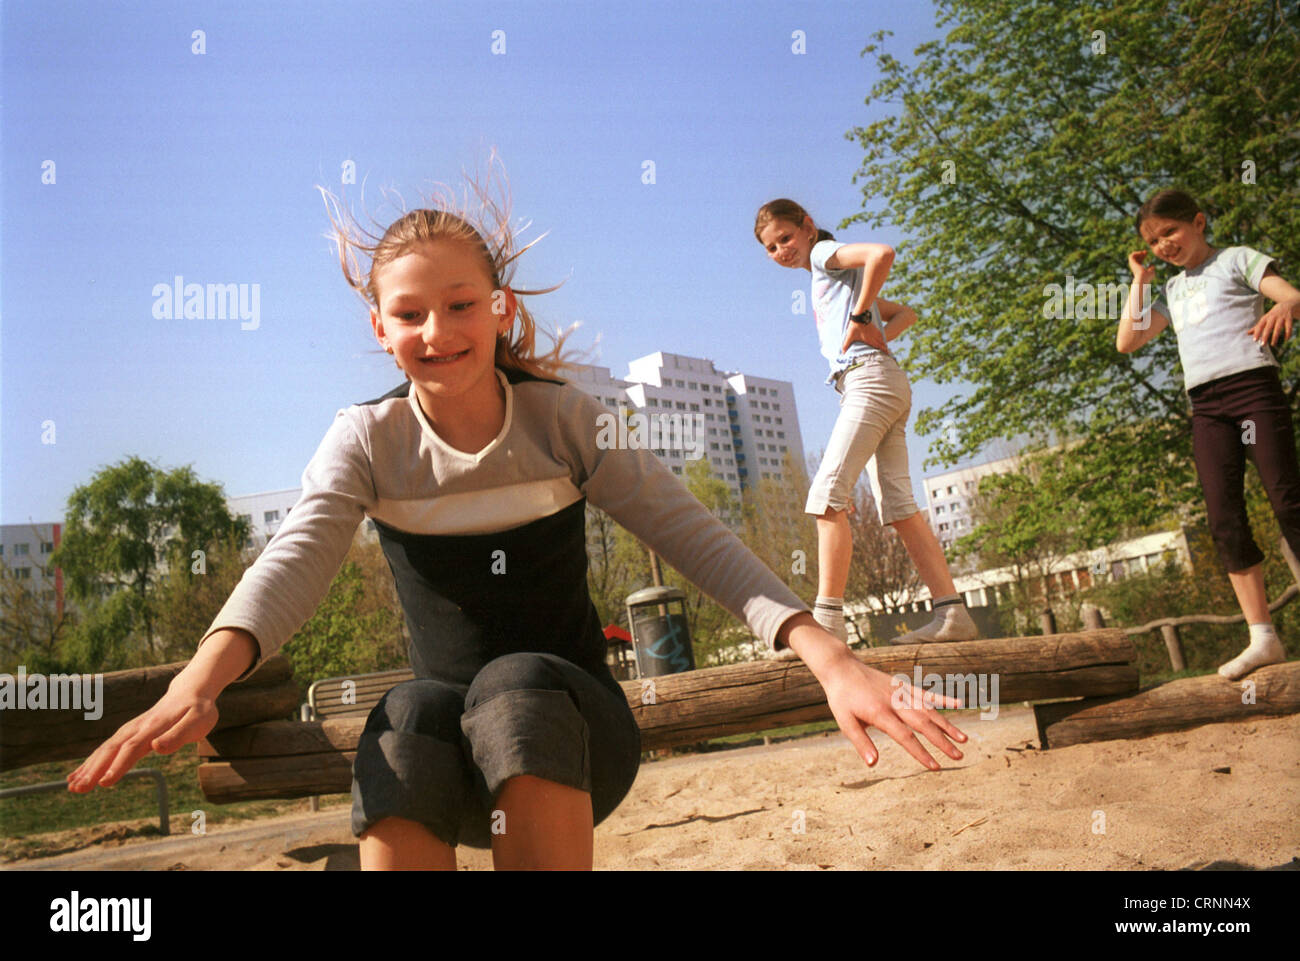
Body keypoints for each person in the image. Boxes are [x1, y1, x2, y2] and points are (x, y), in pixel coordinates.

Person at [65, 170, 969, 871]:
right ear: (380, 325)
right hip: (449, 762)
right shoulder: (367, 440)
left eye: (461, 305)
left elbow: (695, 536)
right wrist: (198, 679)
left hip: (566, 738)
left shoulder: (565, 419)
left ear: (498, 309)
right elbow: (292, 562)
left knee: (512, 684)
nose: (437, 330)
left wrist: (832, 659)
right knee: (408, 707)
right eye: (410, 313)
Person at [755, 199, 978, 647]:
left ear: (808, 227)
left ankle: (828, 625)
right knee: (899, 507)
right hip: (884, 380)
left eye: (786, 237)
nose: (781, 250)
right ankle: (953, 614)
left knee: (826, 497)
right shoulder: (837, 278)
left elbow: (882, 253)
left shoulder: (824, 256)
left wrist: (858, 321)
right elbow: (905, 314)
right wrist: (868, 328)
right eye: (771, 247)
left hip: (869, 383)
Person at [1118, 188, 1300, 680]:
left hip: (1252, 390)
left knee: (1287, 502)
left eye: (1170, 232)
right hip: (1207, 407)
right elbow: (1128, 340)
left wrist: (1286, 307)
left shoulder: (1237, 260)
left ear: (1198, 222)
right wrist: (1140, 280)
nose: (1163, 246)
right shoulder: (1171, 291)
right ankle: (1263, 637)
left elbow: (1291, 295)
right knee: (1223, 517)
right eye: (1153, 241)